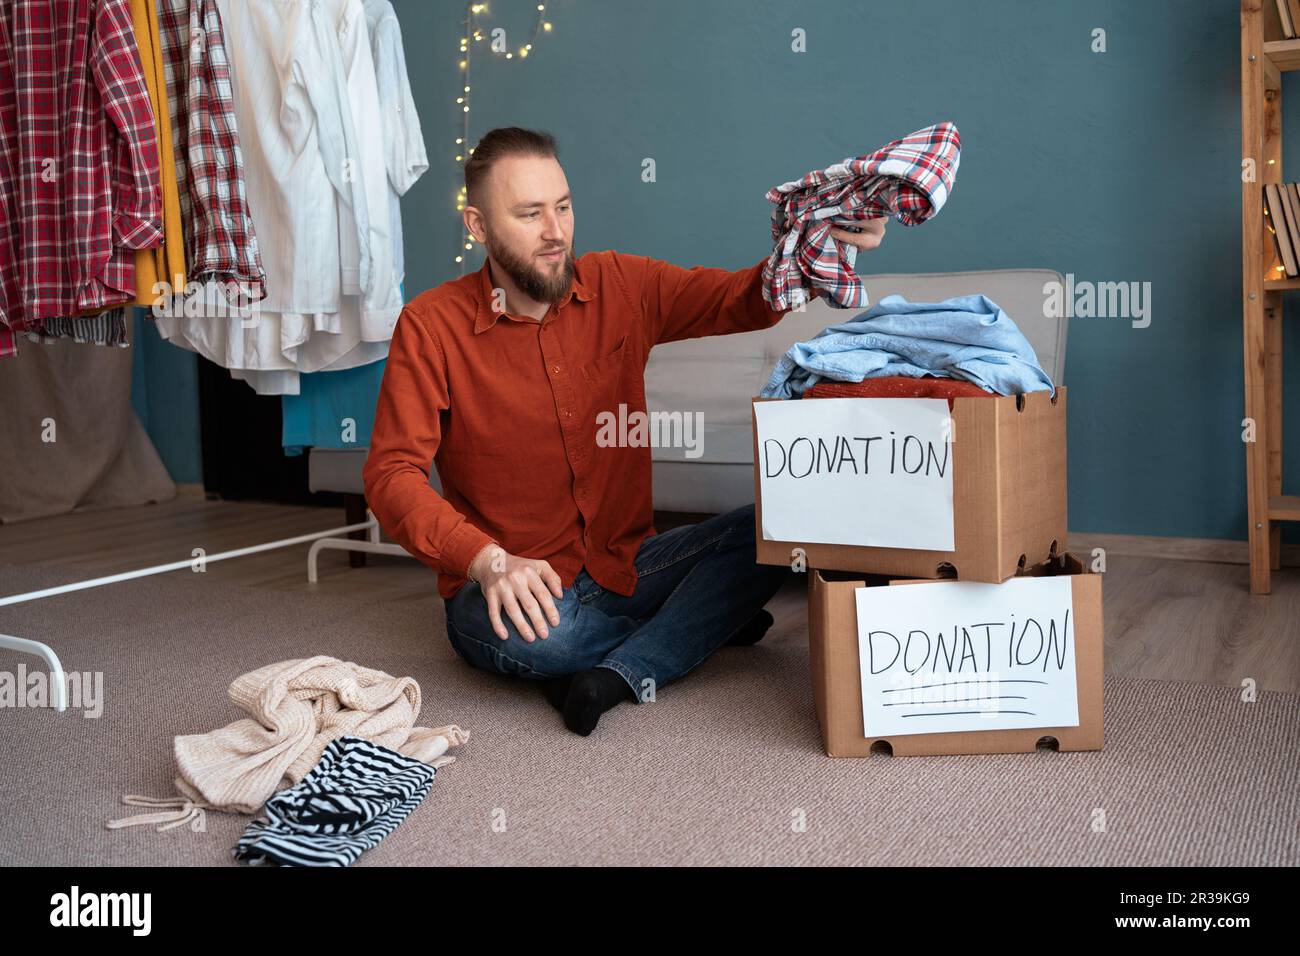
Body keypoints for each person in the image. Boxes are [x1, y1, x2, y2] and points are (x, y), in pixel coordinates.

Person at [363, 127, 885, 735]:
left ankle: (622, 667)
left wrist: (828, 243)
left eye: (562, 206)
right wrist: (486, 562)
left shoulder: (621, 284)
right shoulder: (430, 326)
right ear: (478, 227)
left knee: (785, 523)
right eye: (529, 214)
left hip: (624, 567)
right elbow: (390, 475)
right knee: (546, 645)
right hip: (512, 584)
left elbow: (741, 299)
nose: (556, 231)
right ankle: (697, 624)